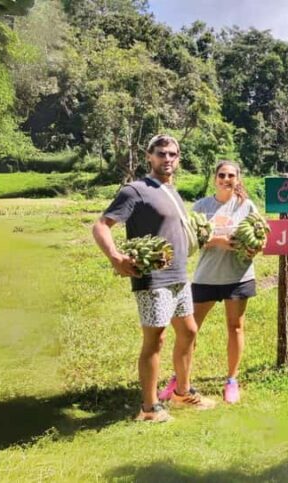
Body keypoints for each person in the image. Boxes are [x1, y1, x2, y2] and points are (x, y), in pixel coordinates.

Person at [92, 134, 216, 422]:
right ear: (149, 157)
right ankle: (148, 408)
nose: (167, 159)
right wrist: (115, 257)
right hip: (153, 280)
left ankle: (182, 392)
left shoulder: (170, 190)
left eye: (172, 154)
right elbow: (101, 225)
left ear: (179, 157)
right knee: (155, 340)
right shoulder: (135, 190)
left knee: (189, 332)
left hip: (178, 277)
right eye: (161, 154)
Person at [160, 160, 259, 404]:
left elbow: (260, 235)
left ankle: (232, 380)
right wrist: (218, 242)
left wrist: (252, 247)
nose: (226, 179)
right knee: (189, 331)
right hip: (206, 277)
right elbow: (190, 239)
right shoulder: (202, 206)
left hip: (238, 276)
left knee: (235, 327)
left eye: (231, 176)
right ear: (215, 177)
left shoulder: (246, 206)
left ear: (238, 179)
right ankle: (179, 379)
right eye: (222, 175)